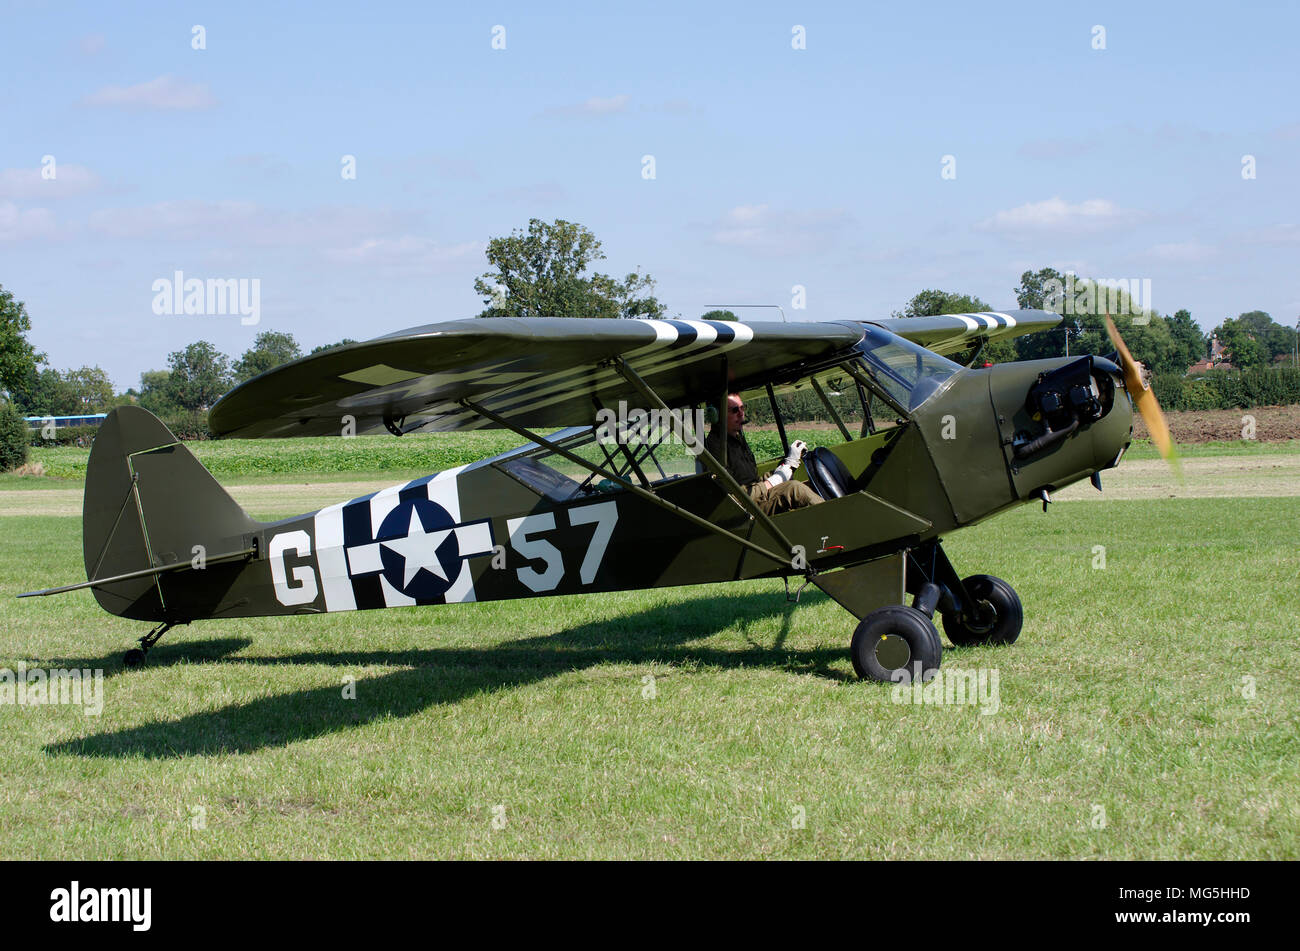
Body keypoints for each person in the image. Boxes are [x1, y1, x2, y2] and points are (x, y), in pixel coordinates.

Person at [702, 393, 822, 514]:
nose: (741, 414)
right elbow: (734, 498)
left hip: (757, 500)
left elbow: (754, 482)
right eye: (734, 410)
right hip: (743, 512)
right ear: (716, 416)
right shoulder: (715, 447)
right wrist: (773, 481)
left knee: (810, 485)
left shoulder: (736, 439)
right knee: (795, 490)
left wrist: (788, 464)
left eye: (742, 408)